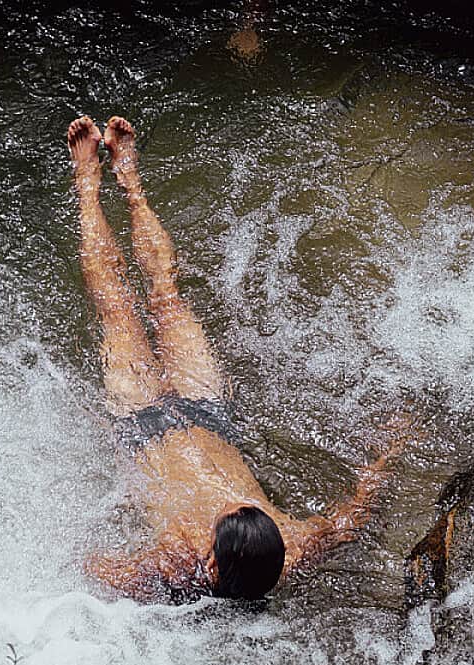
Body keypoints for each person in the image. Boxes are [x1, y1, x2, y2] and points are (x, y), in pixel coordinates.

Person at [68, 115, 406, 604]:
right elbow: (351, 519)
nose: (236, 500)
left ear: (210, 561)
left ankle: (87, 183)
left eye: (230, 512)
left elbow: (92, 572)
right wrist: (388, 454)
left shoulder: (170, 566)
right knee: (167, 297)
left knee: (117, 310)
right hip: (210, 412)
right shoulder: (290, 545)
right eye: (249, 505)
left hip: (140, 427)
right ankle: (130, 178)